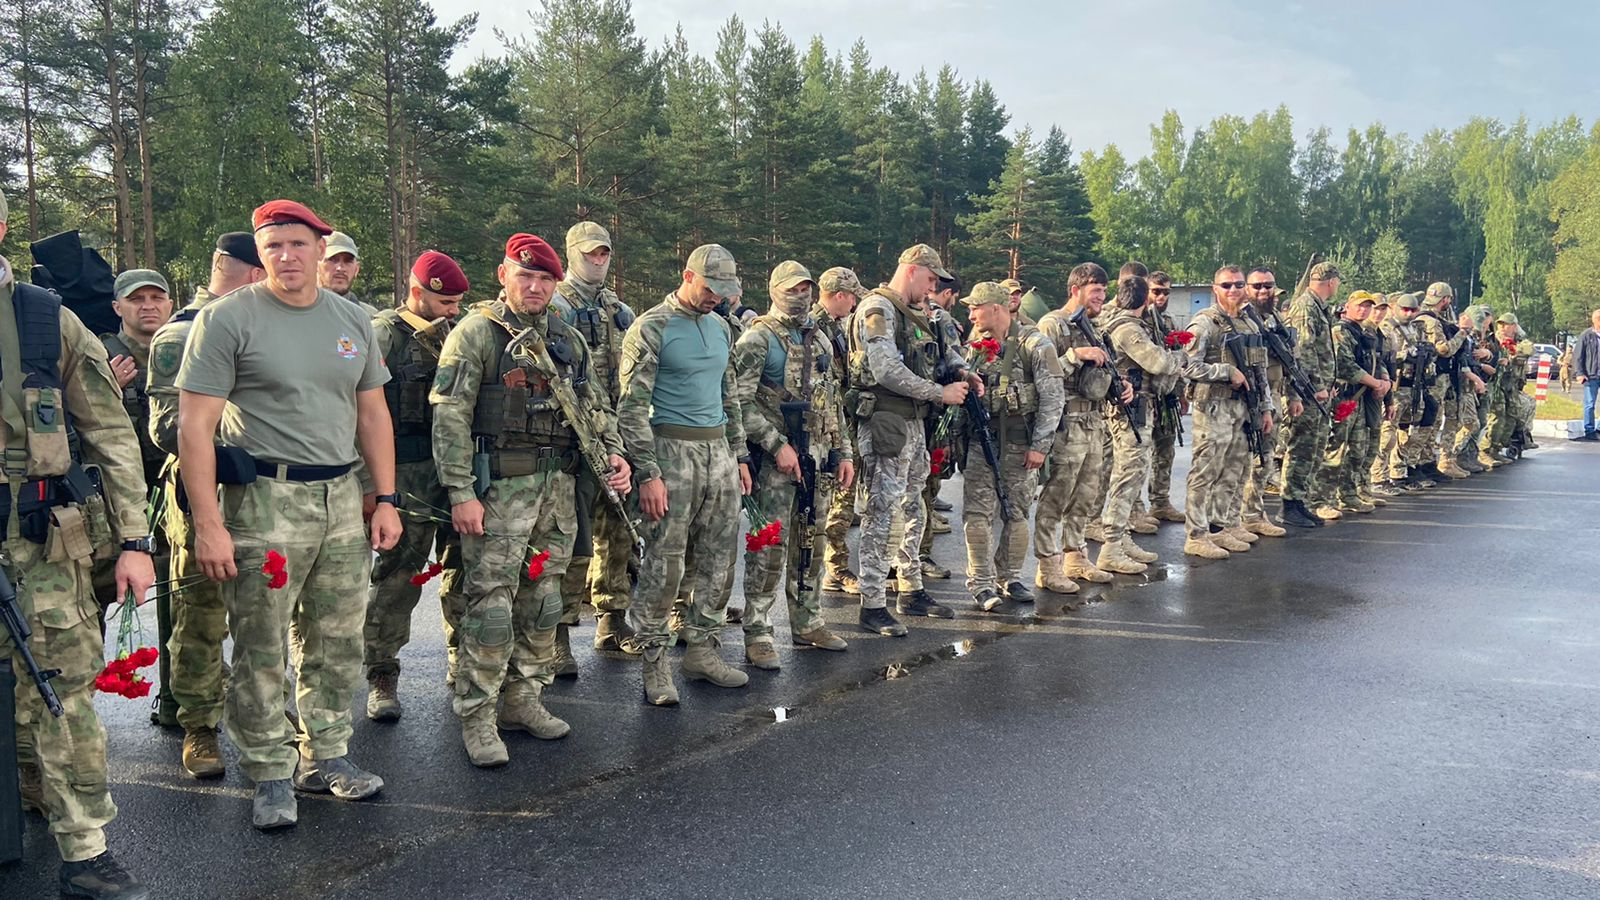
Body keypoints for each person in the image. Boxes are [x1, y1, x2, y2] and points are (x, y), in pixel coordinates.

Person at [177, 199, 400, 830]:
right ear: (259, 253)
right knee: (262, 643)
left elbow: (372, 413)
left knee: (336, 639)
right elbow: (195, 427)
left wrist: (384, 498)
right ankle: (270, 772)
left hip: (340, 500)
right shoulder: (228, 320)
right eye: (272, 246)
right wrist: (208, 523)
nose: (287, 256)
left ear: (320, 248)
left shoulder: (352, 319)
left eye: (298, 244)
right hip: (263, 503)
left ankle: (326, 755)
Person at [1, 190, 157, 899]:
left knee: (60, 698)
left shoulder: (43, 318)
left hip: (39, 548)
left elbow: (112, 435)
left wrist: (133, 539)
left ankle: (84, 851)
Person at [431, 233, 629, 761]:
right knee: (491, 607)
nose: (536, 286)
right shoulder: (477, 335)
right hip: (497, 494)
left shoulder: (567, 339)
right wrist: (460, 493)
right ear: (504, 276)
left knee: (543, 602)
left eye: (545, 278)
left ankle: (523, 698)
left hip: (557, 493)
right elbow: (449, 419)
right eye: (526, 276)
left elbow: (596, 407)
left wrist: (615, 455)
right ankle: (478, 714)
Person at [146, 231, 264, 778]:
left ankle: (268, 716)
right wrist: (228, 451)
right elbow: (166, 425)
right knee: (201, 614)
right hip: (202, 492)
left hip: (266, 496)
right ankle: (198, 725)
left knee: (267, 611)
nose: (265, 278)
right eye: (254, 268)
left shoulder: (268, 324)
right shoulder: (180, 334)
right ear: (224, 265)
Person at [620, 243, 751, 703]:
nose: (717, 296)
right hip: (670, 452)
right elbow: (631, 409)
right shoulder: (651, 327)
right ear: (688, 276)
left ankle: (703, 651)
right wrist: (648, 472)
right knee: (665, 561)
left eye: (725, 290)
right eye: (711, 287)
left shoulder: (721, 327)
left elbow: (729, 395)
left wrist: (739, 456)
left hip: (717, 452)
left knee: (719, 558)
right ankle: (655, 663)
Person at [847, 244, 978, 634]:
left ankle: (911, 587)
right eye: (931, 279)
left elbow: (942, 354)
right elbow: (884, 368)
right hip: (887, 422)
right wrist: (940, 394)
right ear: (912, 269)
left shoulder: (921, 314)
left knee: (914, 507)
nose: (933, 287)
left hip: (915, 423)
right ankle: (871, 603)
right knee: (881, 514)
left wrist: (964, 372)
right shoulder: (878, 309)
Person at [361, 250, 467, 722]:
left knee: (464, 564)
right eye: (446, 302)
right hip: (405, 471)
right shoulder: (382, 334)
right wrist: (371, 484)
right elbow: (360, 411)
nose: (454, 311)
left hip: (455, 469)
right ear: (417, 291)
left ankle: (462, 655)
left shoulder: (458, 334)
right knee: (398, 574)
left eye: (459, 303)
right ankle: (381, 671)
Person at [732, 261, 853, 666]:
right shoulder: (757, 340)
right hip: (775, 464)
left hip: (817, 458)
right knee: (769, 547)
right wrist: (775, 444)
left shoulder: (819, 339)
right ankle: (758, 631)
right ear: (774, 290)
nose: (800, 296)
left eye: (806, 288)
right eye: (792, 289)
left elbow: (831, 401)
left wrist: (843, 452)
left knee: (811, 543)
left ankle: (807, 622)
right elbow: (736, 403)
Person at [549, 221, 641, 657]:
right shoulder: (554, 305)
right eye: (591, 253)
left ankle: (611, 618)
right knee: (574, 539)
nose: (599, 261)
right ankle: (559, 633)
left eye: (604, 253)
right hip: (572, 438)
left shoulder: (618, 309)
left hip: (615, 434)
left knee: (618, 530)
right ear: (571, 254)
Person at [1099, 275, 1232, 572]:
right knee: (1127, 476)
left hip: (1142, 407)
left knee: (1134, 474)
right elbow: (1158, 363)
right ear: (1144, 299)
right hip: (1131, 410)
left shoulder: (1139, 325)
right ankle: (1110, 546)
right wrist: (1180, 356)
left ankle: (1120, 540)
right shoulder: (1128, 327)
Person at [97, 268, 176, 724]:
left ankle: (174, 697)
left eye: (156, 297)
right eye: (136, 298)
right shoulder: (99, 355)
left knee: (174, 599)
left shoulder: (183, 350)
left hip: (170, 494)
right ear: (118, 307)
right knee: (99, 598)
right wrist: (107, 387)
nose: (148, 305)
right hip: (114, 503)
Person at [958, 281, 1063, 608]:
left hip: (1021, 444)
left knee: (1017, 513)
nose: (971, 313)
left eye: (976, 306)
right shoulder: (972, 349)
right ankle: (982, 582)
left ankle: (1010, 576)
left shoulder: (1036, 344)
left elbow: (1052, 399)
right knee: (977, 514)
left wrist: (1040, 446)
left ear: (996, 308)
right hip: (981, 442)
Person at [1034, 263, 1127, 591]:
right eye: (1095, 289)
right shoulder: (1052, 325)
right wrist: (1075, 354)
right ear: (1075, 289)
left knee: (1086, 494)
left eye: (1104, 290)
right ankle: (1048, 564)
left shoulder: (1095, 327)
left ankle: (1075, 555)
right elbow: (1042, 377)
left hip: (1093, 420)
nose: (1102, 295)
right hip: (1066, 423)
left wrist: (1121, 385)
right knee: (1058, 494)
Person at [1181, 266, 1263, 559]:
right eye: (1226, 285)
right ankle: (1197, 534)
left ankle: (1224, 525)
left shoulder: (1249, 325)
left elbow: (1258, 370)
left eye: (1238, 284)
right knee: (1205, 471)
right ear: (1215, 289)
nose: (1233, 290)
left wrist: (1263, 407)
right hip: (1213, 406)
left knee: (1236, 468)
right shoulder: (1204, 324)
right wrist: (1225, 371)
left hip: (1242, 406)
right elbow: (1187, 365)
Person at [816, 266, 867, 595]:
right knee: (837, 500)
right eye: (851, 298)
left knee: (842, 498)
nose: (854, 305)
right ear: (839, 296)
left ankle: (833, 566)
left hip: (841, 422)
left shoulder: (836, 326)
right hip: (827, 428)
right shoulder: (814, 329)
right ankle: (835, 568)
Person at [1235, 267, 1295, 536]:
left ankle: (1254, 513)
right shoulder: (1241, 319)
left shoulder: (1275, 319)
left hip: (1274, 395)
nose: (1263, 291)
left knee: (1266, 459)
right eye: (1257, 286)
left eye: (1268, 285)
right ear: (1247, 288)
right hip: (1249, 398)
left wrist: (1293, 395)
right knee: (1246, 460)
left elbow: (1290, 360)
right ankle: (1239, 516)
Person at [1279, 262, 1338, 525]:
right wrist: (1317, 385)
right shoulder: (1306, 307)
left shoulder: (1318, 307)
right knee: (1302, 446)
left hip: (1319, 392)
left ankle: (1300, 501)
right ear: (1331, 282)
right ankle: (1290, 504)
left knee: (1314, 447)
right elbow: (1303, 351)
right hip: (1308, 391)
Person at [1321, 292, 1390, 513]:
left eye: (1368, 306)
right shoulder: (1341, 331)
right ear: (1348, 307)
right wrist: (1375, 383)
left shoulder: (1365, 333)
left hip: (1360, 398)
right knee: (1335, 449)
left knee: (1357, 449)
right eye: (1360, 306)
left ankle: (1349, 494)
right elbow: (1345, 365)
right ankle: (1323, 499)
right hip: (1344, 397)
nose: (1364, 310)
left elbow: (1376, 360)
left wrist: (1385, 381)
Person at [917, 273, 963, 578]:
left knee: (929, 484)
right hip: (907, 413)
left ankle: (922, 552)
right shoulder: (892, 313)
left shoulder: (938, 318)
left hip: (934, 412)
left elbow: (953, 358)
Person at [1405, 283, 1469, 483]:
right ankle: (1416, 463)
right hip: (1434, 379)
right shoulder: (1431, 321)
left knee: (1433, 422)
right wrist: (1462, 333)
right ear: (1446, 300)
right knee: (1429, 423)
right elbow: (1444, 350)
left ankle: (1427, 462)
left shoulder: (1435, 319)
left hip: (1438, 378)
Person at [1144, 271, 1187, 524]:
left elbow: (1179, 359)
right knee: (1136, 456)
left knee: (1165, 449)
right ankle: (1132, 509)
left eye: (1166, 292)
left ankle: (1160, 501)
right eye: (1156, 291)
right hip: (1145, 394)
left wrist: (1181, 393)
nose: (1161, 297)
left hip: (1167, 394)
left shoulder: (1168, 322)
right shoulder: (1139, 322)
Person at [319, 230, 379, 315]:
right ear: (314, 265)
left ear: (356, 269)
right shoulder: (297, 312)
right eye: (333, 259)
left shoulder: (369, 317)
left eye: (348, 261)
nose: (340, 268)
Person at [1571, 309, 1600, 441]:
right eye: (1598, 318)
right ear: (1594, 320)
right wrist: (1580, 373)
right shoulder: (1586, 335)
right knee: (1589, 404)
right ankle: (1589, 430)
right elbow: (1578, 356)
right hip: (1591, 375)